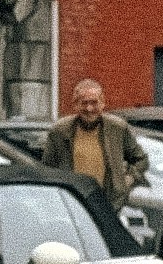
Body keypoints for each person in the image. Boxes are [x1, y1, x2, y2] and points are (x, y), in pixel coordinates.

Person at [44, 80, 144, 210]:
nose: (89, 108)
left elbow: (140, 159)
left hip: (109, 203)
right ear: (75, 105)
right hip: (72, 202)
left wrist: (128, 179)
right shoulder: (60, 130)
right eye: (84, 103)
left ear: (102, 103)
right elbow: (48, 167)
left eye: (94, 102)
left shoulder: (117, 128)